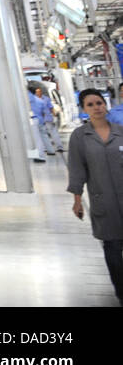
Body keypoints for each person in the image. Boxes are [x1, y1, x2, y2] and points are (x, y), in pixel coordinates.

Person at [66, 88, 123, 304]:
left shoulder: (121, 131)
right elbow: (77, 169)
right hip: (103, 200)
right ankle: (120, 289)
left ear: (105, 104)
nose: (96, 107)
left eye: (99, 103)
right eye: (90, 105)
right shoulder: (80, 137)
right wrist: (77, 200)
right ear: (84, 110)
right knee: (113, 247)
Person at [33, 85, 63, 155]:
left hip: (47, 118)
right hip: (41, 119)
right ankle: (46, 148)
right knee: (44, 134)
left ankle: (59, 147)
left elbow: (51, 107)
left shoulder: (45, 99)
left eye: (39, 92)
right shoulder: (35, 100)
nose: (38, 93)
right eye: (37, 92)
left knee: (52, 132)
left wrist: (54, 115)